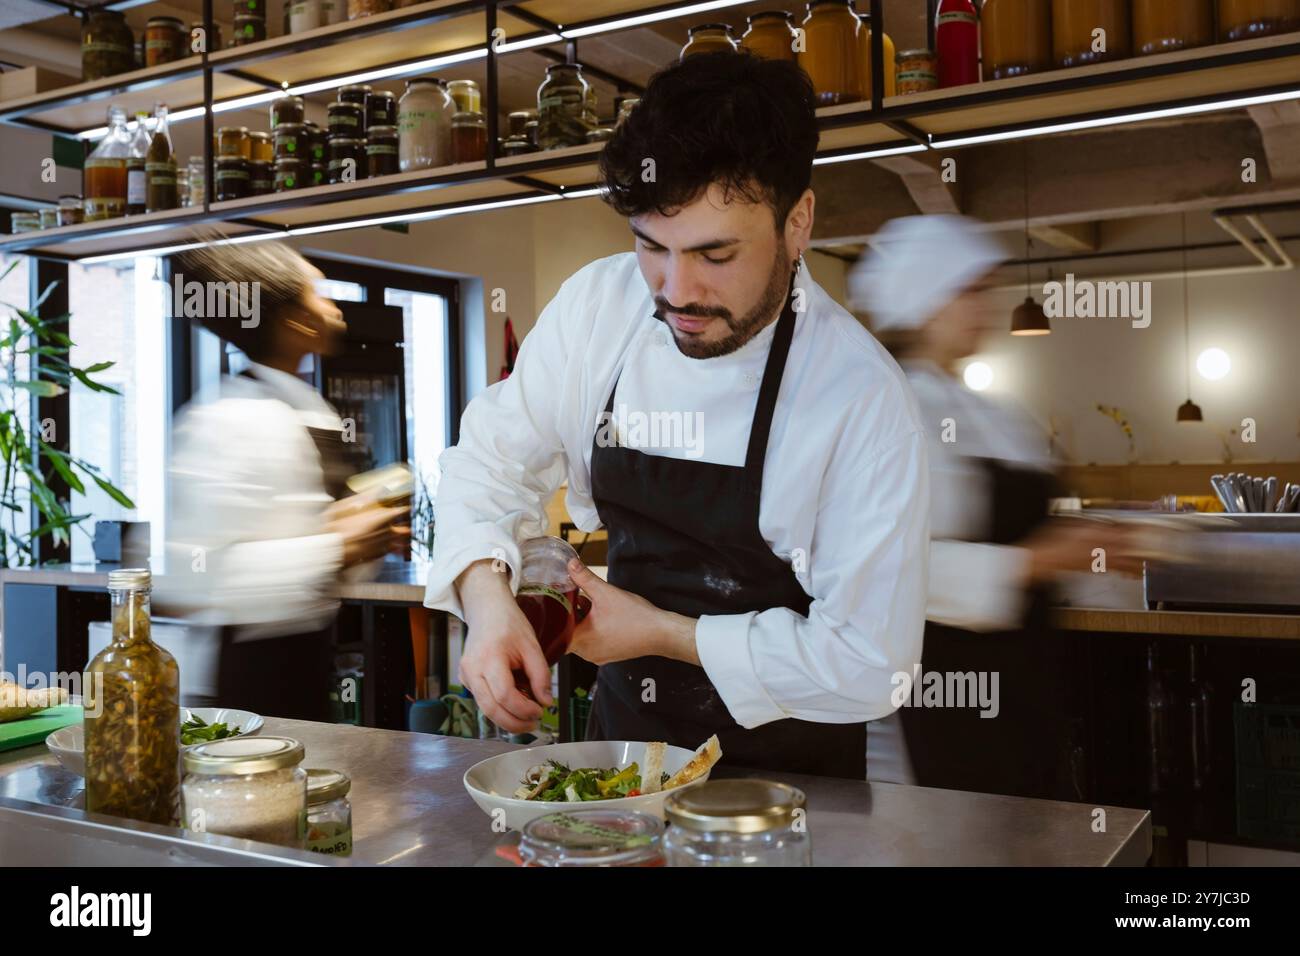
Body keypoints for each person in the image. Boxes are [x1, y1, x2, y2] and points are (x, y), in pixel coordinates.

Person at [424, 52, 929, 779]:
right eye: (651, 247)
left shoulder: (861, 397)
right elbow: (488, 461)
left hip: (792, 794)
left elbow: (870, 665)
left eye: (715, 254)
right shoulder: (597, 309)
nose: (677, 291)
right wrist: (486, 596)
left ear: (798, 224)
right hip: (624, 763)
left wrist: (663, 634)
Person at [849, 214, 1137, 800]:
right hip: (950, 694)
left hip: (1027, 678)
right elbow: (898, 574)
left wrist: (1096, 541)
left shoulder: (996, 411)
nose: (985, 305)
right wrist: (1042, 561)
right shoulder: (891, 410)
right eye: (969, 291)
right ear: (924, 301)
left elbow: (1035, 525)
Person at [161, 241, 407, 721]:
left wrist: (365, 542)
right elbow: (190, 582)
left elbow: (317, 556)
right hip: (239, 684)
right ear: (294, 321)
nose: (334, 306)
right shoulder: (223, 419)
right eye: (318, 293)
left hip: (307, 664)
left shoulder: (314, 410)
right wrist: (336, 546)